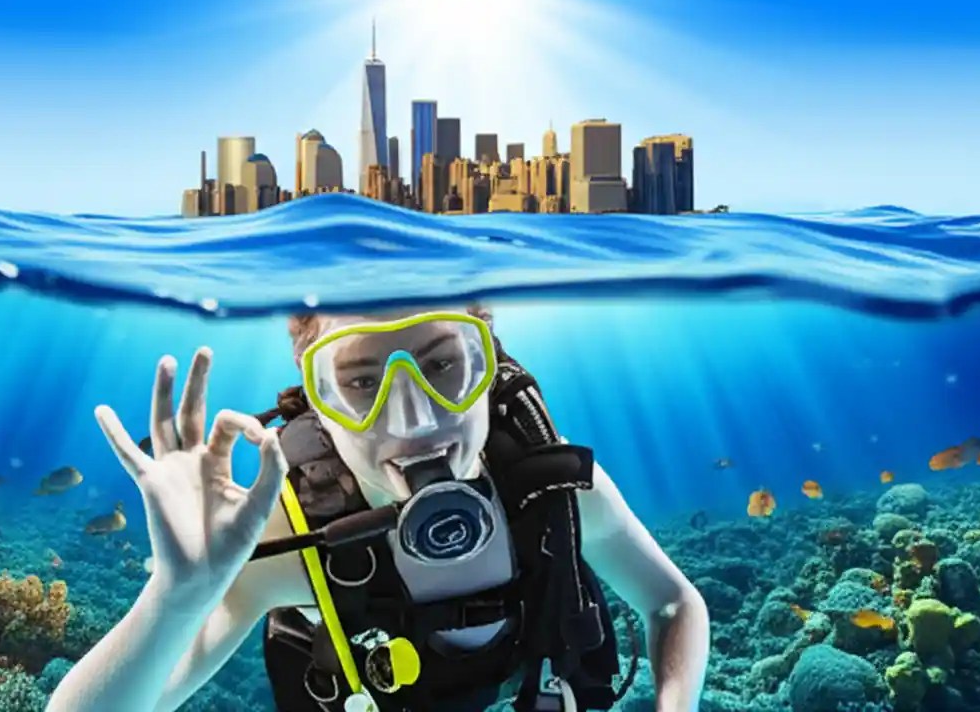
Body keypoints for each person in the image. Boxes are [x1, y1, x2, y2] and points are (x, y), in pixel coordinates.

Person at [48, 305, 710, 712]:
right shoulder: (292, 536)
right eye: (361, 382)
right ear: (317, 410)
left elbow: (675, 605)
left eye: (444, 365)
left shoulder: (551, 491)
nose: (417, 419)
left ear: (489, 362)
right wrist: (178, 597)